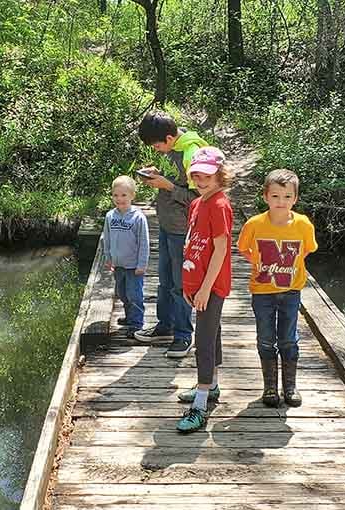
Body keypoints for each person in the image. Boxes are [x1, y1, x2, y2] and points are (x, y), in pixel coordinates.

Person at [237, 169, 318, 408]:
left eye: (286, 197)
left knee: (288, 339)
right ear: (265, 197)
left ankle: (290, 387)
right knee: (265, 339)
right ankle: (270, 387)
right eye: (275, 196)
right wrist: (260, 263)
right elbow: (243, 248)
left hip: (291, 291)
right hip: (262, 292)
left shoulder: (303, 224)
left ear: (295, 198)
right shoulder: (255, 224)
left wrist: (287, 264)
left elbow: (308, 249)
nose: (280, 202)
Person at [134, 111, 207, 358]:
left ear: (168, 137)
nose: (156, 149)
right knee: (164, 282)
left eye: (156, 145)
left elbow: (200, 198)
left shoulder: (192, 153)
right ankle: (165, 326)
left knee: (180, 285)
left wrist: (168, 186)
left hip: (182, 230)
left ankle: (183, 336)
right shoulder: (171, 149)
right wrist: (156, 174)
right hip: (166, 226)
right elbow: (174, 178)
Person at [175, 147, 234, 433]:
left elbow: (221, 250)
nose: (201, 180)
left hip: (212, 287)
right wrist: (190, 285)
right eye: (196, 174)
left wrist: (205, 290)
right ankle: (211, 386)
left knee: (204, 341)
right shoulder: (198, 203)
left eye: (207, 175)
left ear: (220, 175)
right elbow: (193, 244)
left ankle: (199, 406)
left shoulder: (220, 205)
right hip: (198, 284)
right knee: (213, 333)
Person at [103, 176, 150, 338]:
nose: (119, 199)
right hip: (118, 265)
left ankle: (137, 323)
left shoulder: (138, 217)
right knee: (122, 293)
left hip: (133, 265)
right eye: (115, 195)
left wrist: (142, 264)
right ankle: (129, 317)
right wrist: (108, 257)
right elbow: (107, 238)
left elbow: (144, 243)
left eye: (123, 195)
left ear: (132, 196)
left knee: (134, 294)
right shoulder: (110, 216)